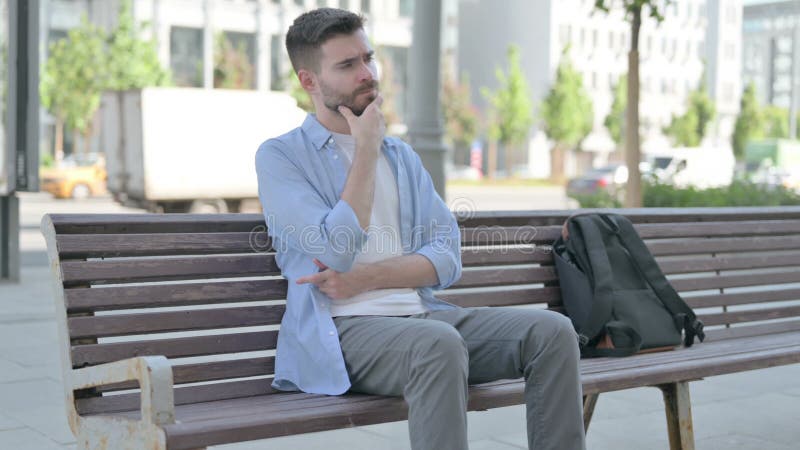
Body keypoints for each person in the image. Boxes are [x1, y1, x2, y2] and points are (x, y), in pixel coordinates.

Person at [255, 8, 585, 450]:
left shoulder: (402, 157)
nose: (367, 73)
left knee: (552, 333)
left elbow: (448, 256)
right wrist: (366, 148)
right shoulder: (281, 158)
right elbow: (336, 248)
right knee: (438, 344)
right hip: (341, 332)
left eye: (367, 58)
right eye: (347, 65)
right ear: (309, 81)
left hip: (424, 317)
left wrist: (368, 277)